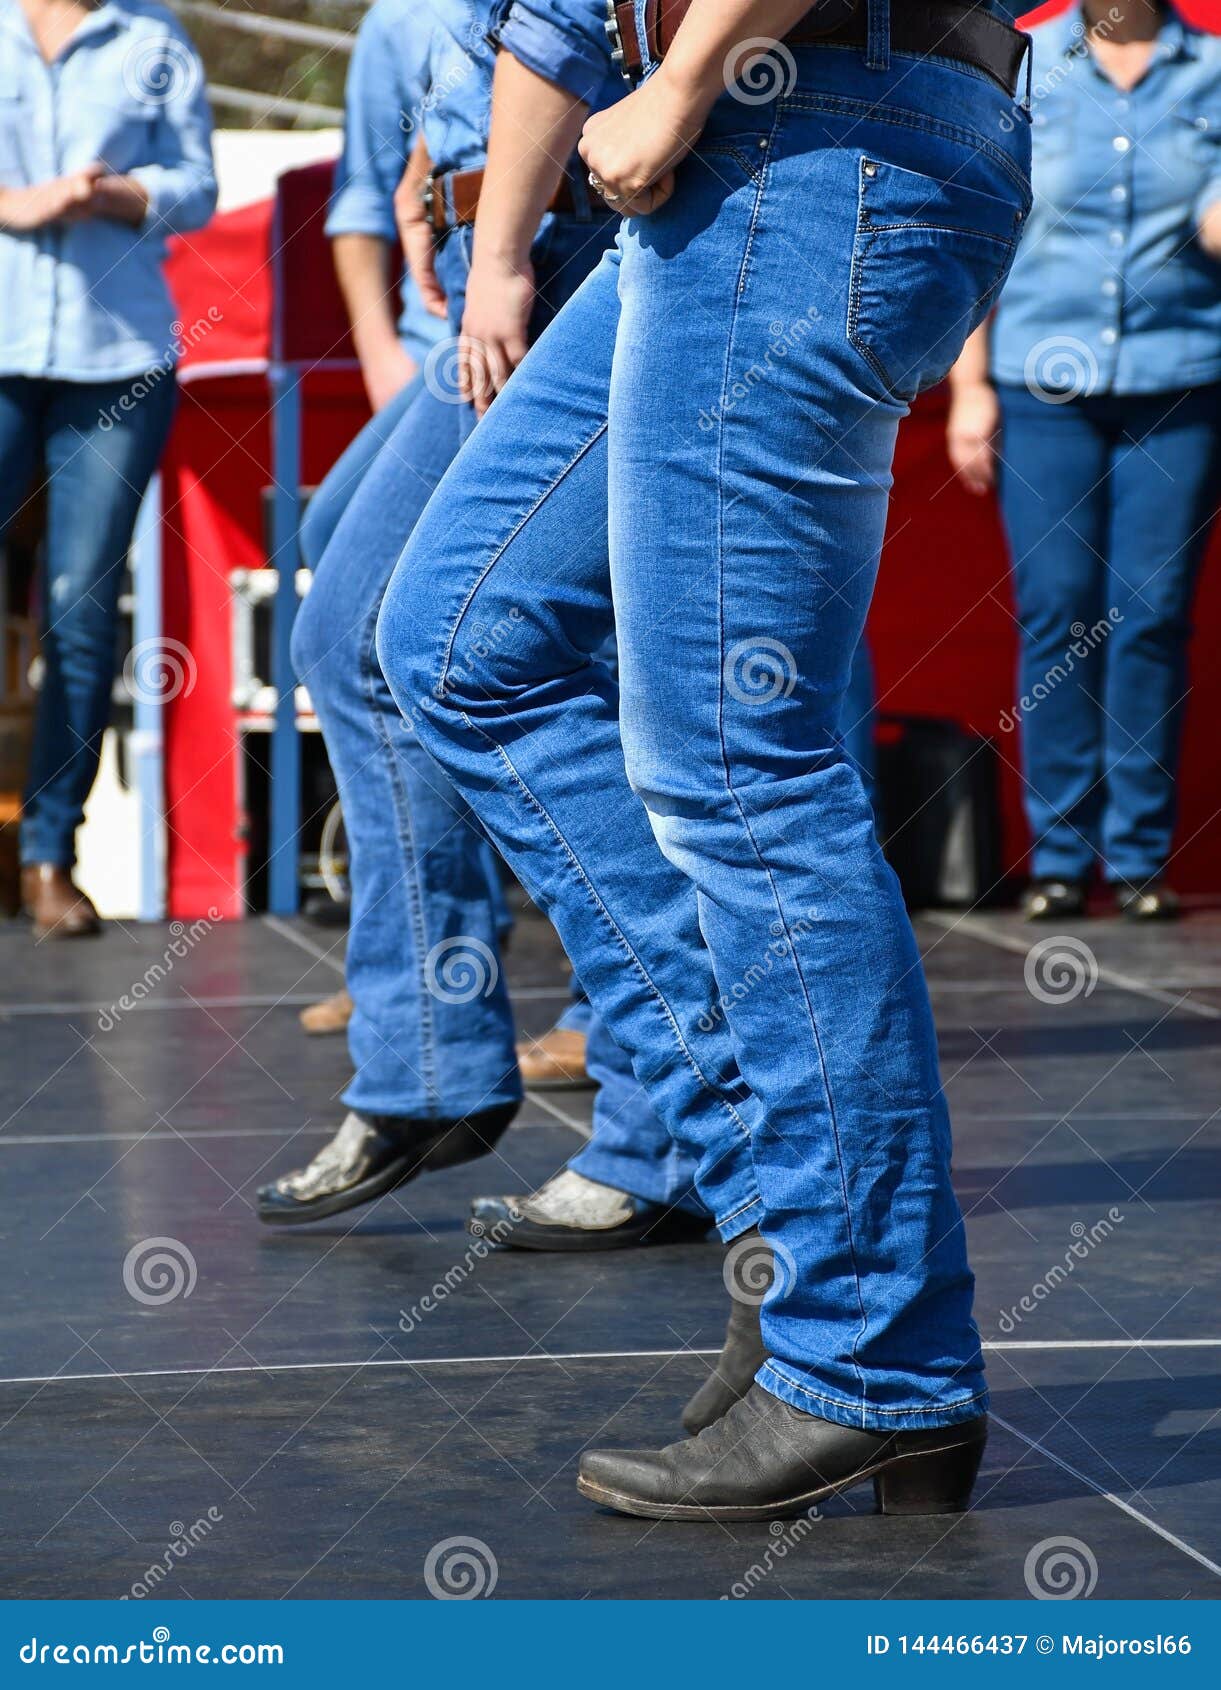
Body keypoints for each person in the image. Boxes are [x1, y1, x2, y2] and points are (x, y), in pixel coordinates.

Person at [377, 0, 1032, 1518]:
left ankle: (872, 1352)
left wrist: (677, 77)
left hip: (812, 132)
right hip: (764, 136)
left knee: (744, 769)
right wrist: (510, 239)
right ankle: (784, 1212)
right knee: (460, 641)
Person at [257, 0, 709, 1256]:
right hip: (496, 253)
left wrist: (498, 238)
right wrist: (447, 197)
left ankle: (624, 1105)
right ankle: (445, 1061)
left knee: (379, 639)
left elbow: (571, 34)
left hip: (558, 246)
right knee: (350, 589)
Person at [947, 0, 1221, 923]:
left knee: (1148, 615)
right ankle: (1059, 855)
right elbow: (984, 226)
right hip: (1039, 385)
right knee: (1057, 610)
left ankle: (1140, 857)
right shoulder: (1023, 59)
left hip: (1178, 380)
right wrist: (971, 386)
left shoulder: (1211, 71)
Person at [0, 0, 214, 937]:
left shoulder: (154, 40)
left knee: (82, 611)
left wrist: (116, 192)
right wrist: (16, 203)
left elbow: (197, 188)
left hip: (116, 360)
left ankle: (51, 854)